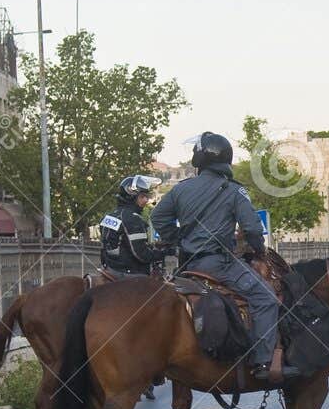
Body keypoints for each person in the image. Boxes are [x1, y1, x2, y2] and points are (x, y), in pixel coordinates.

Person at [151, 132, 285, 382]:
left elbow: (157, 218)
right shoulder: (235, 191)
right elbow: (253, 229)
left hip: (188, 266)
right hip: (220, 265)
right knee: (266, 298)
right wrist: (258, 250)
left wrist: (178, 238)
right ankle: (261, 362)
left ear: (200, 158)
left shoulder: (181, 189)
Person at [100, 175, 165, 276]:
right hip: (129, 273)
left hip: (110, 269)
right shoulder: (132, 218)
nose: (146, 200)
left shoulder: (110, 216)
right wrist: (163, 253)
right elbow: (141, 254)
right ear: (131, 197)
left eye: (146, 196)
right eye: (142, 196)